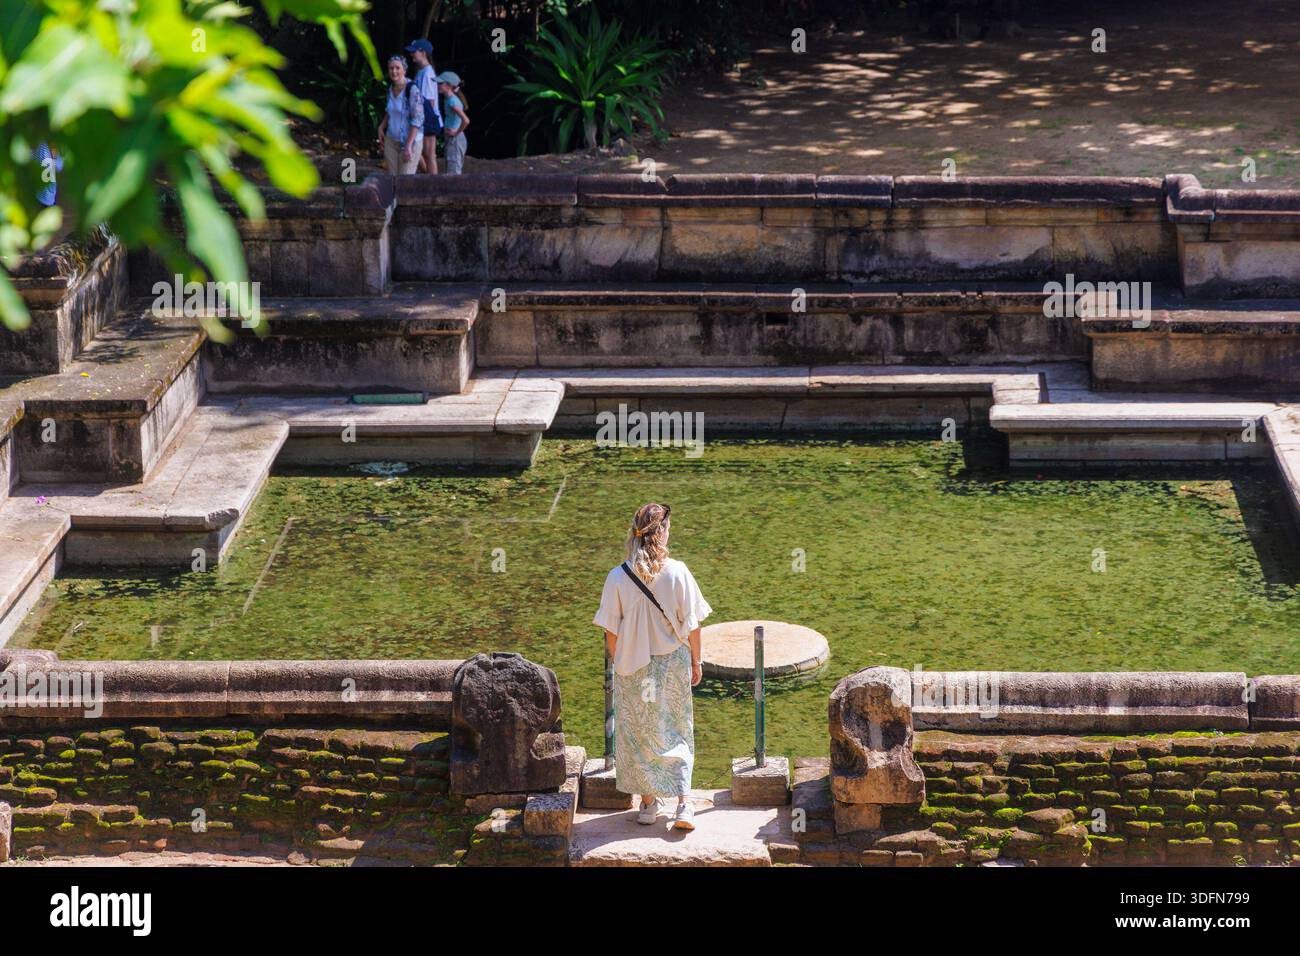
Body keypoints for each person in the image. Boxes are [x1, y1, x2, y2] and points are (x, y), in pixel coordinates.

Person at [593, 503, 711, 831]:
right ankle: (684, 805)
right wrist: (696, 661)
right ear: (663, 533)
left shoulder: (616, 577)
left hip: (633, 665)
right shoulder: (678, 572)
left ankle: (647, 804)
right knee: (677, 728)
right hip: (672, 661)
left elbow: (610, 632)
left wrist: (620, 664)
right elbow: (693, 625)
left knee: (639, 734)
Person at [377, 55, 423, 174]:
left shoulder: (412, 89)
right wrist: (381, 126)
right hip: (391, 141)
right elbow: (390, 111)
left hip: (410, 142)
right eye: (391, 68)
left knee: (405, 182)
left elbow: (418, 119)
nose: (394, 71)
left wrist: (408, 145)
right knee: (393, 180)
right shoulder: (390, 88)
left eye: (397, 68)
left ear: (404, 70)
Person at [404, 38, 442, 174]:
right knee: (419, 152)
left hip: (428, 118)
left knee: (429, 155)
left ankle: (434, 186)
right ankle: (429, 182)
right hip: (421, 119)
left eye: (414, 52)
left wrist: (422, 122)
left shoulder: (427, 73)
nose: (411, 54)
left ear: (423, 53)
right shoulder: (422, 72)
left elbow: (429, 102)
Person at [436, 72, 470, 175]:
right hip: (452, 139)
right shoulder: (449, 99)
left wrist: (456, 132)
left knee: (453, 173)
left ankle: (455, 191)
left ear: (449, 85)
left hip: (455, 140)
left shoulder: (452, 102)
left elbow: (466, 120)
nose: (437, 86)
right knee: (451, 170)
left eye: (440, 83)